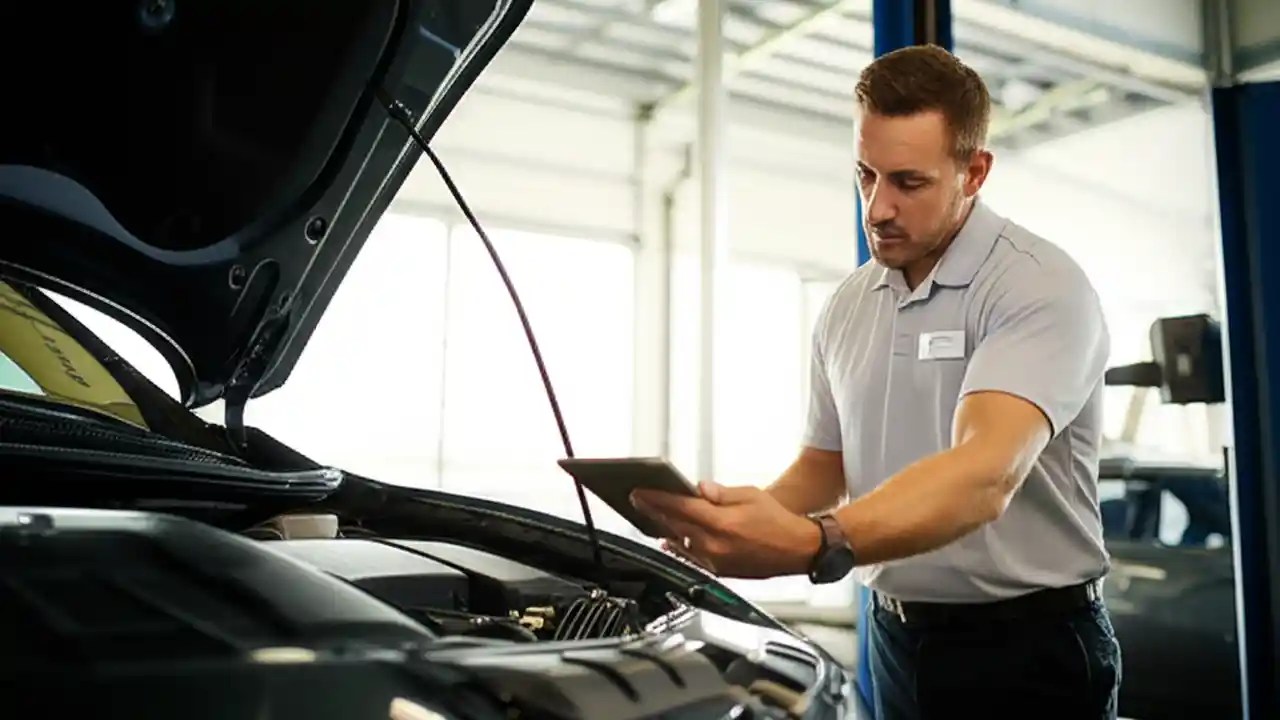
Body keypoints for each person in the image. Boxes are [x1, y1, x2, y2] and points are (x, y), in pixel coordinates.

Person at [630, 44, 1122, 719]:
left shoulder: (1038, 286)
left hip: (1028, 648)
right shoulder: (850, 303)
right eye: (865, 175)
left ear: (973, 172)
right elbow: (823, 467)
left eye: (907, 182)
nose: (878, 207)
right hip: (893, 635)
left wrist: (817, 542)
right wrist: (736, 524)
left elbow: (985, 476)